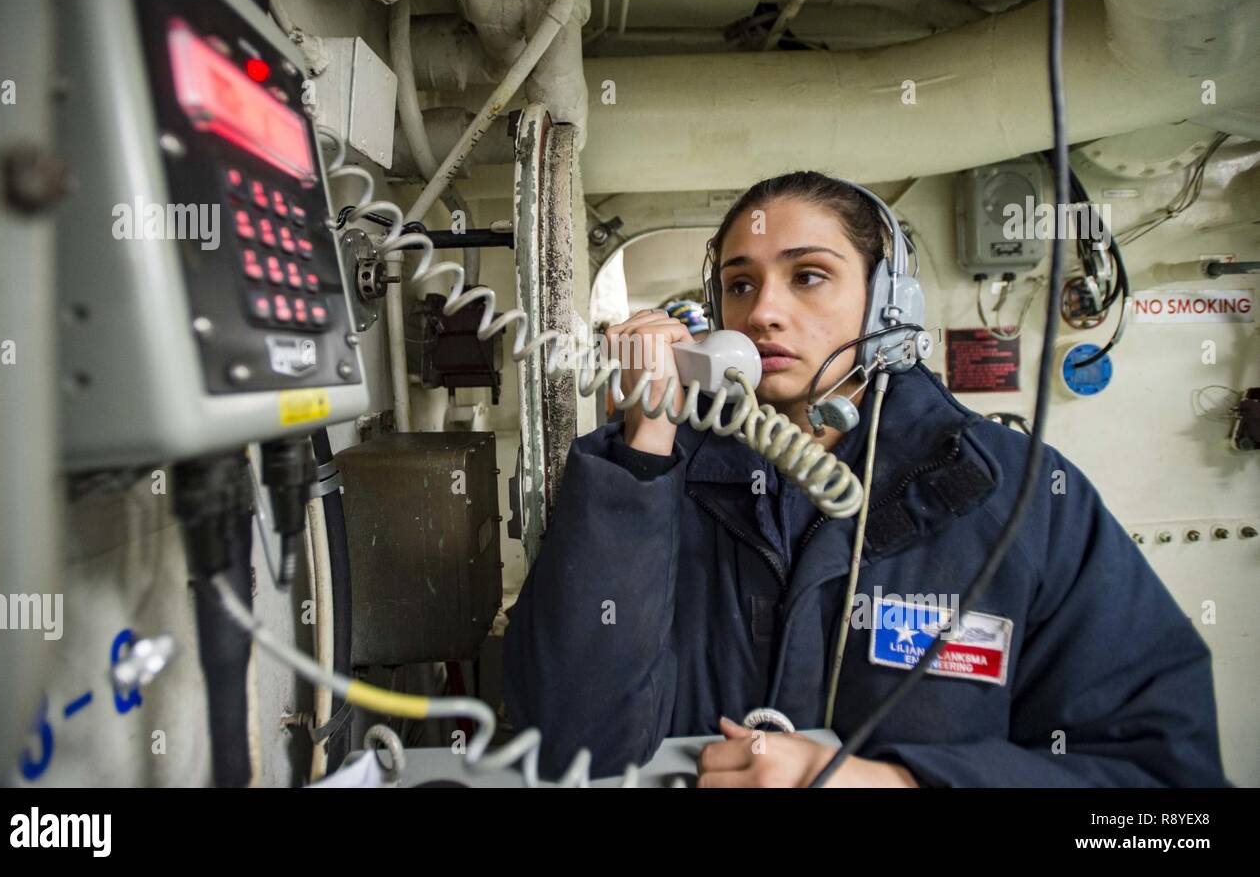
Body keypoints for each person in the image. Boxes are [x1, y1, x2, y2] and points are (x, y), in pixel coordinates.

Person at [503, 171, 1228, 787]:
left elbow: (1166, 797)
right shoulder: (644, 470)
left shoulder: (1012, 495)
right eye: (739, 284)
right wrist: (646, 446)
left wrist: (897, 782)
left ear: (891, 304)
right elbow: (571, 749)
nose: (763, 312)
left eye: (808, 275)